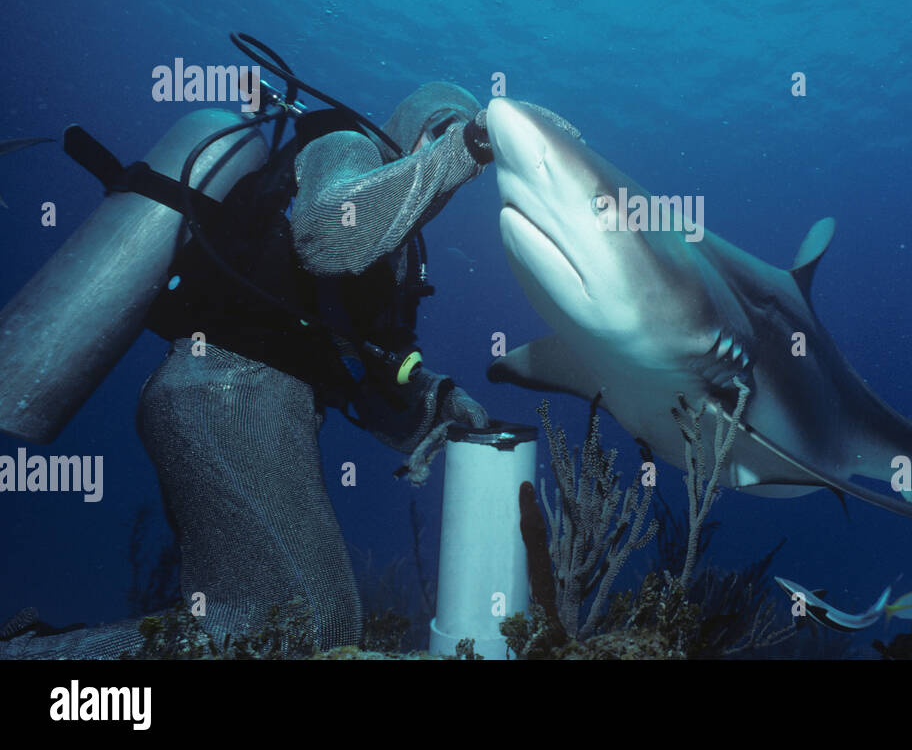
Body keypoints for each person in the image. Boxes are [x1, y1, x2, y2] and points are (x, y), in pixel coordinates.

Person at [0, 74, 578, 658]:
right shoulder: (346, 146)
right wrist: (469, 145)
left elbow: (361, 372)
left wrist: (439, 404)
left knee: (289, 623)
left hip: (253, 399)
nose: (446, 153)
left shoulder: (399, 246)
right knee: (290, 625)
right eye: (436, 132)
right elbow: (329, 238)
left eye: (459, 140)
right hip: (223, 388)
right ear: (403, 131)